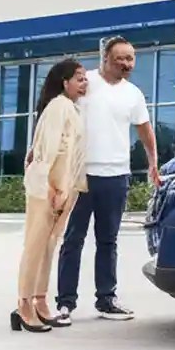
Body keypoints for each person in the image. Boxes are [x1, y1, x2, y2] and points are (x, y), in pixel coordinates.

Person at [54, 36, 159, 323]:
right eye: (120, 58)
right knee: (73, 239)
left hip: (116, 176)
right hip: (81, 175)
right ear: (105, 58)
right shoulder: (85, 82)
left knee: (108, 241)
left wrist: (153, 162)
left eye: (130, 58)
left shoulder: (133, 94)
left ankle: (106, 300)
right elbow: (58, 112)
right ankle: (65, 303)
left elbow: (145, 129)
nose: (126, 64)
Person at [12, 58, 88, 334]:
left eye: (85, 78)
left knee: (48, 245)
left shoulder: (72, 108)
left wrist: (69, 188)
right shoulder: (58, 107)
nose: (85, 83)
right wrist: (53, 188)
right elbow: (49, 150)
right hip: (48, 188)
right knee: (35, 245)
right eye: (79, 78)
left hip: (65, 187)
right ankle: (23, 305)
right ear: (64, 82)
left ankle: (40, 300)